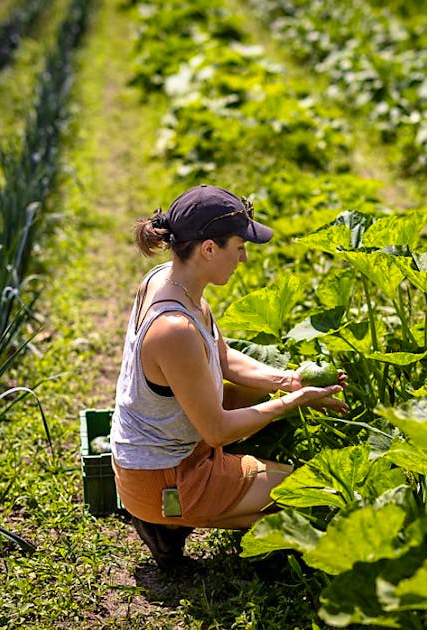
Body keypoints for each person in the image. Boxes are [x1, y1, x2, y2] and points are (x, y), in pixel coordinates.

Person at [111, 184, 348, 569]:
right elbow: (218, 431)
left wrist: (289, 381)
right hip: (166, 477)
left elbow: (221, 358)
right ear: (208, 249)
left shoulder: (171, 281)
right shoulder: (174, 329)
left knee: (257, 409)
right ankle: (167, 520)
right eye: (238, 247)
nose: (244, 257)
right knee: (308, 497)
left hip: (172, 454)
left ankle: (187, 512)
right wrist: (293, 403)